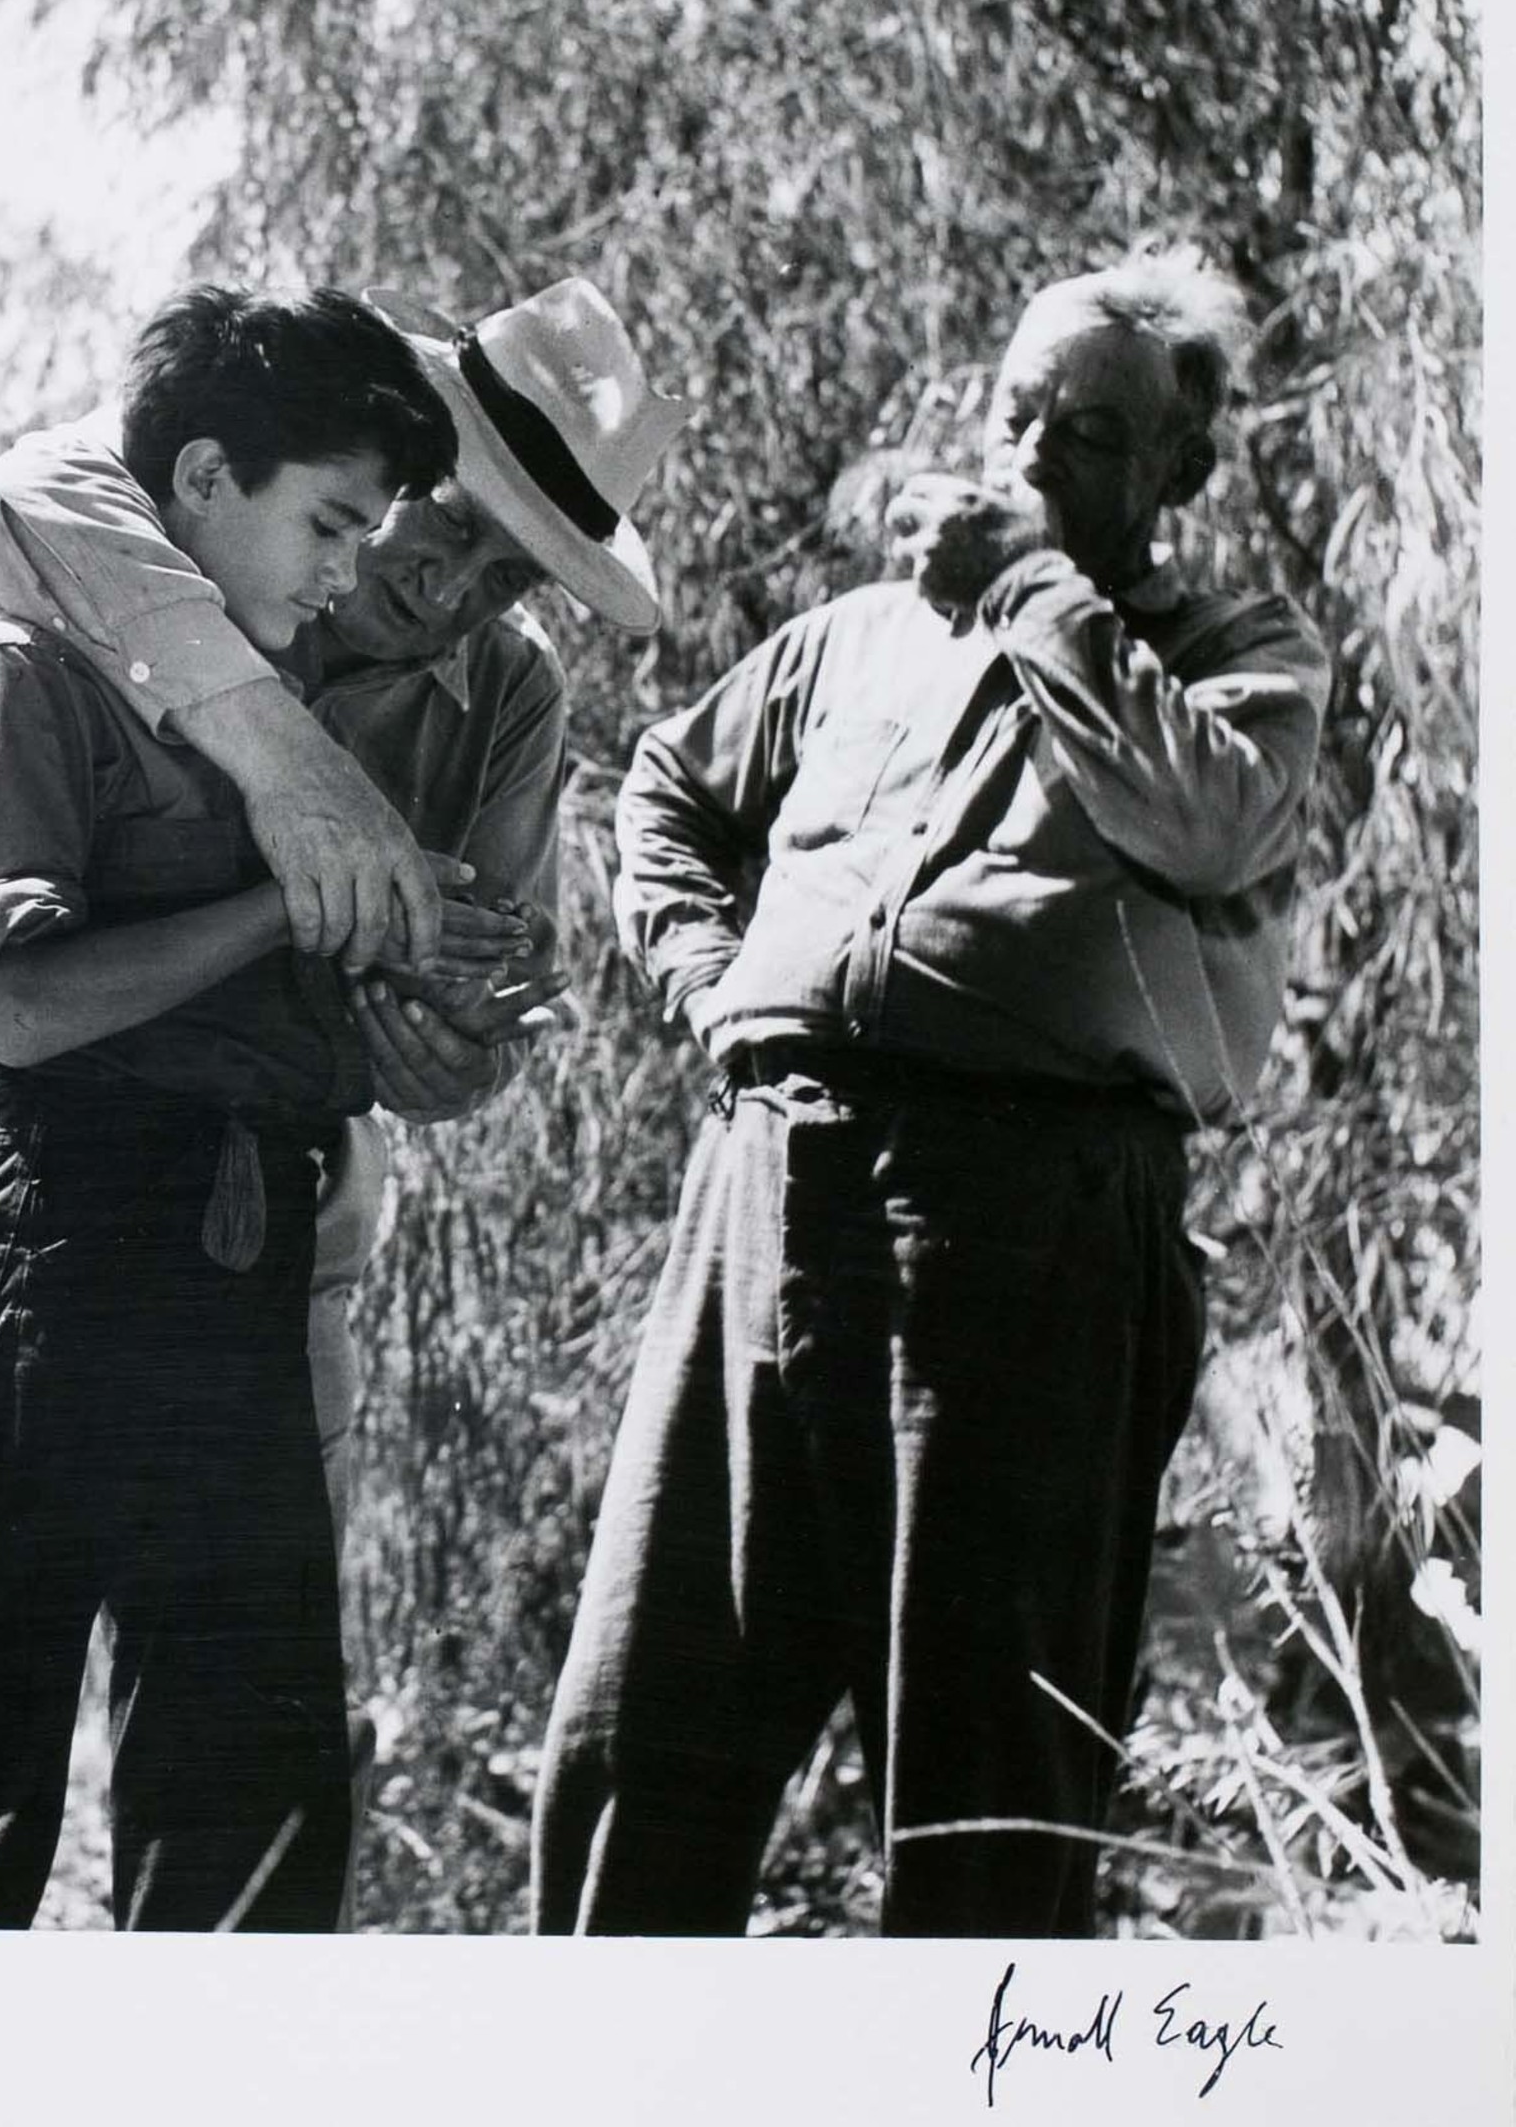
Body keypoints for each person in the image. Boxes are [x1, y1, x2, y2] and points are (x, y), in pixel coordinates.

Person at [0, 277, 686, 1864]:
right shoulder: (153, 530)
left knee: (246, 1675)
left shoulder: (505, 698)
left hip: (249, 1174)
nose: (451, 584)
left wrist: (448, 1056)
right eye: (444, 521)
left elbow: (480, 984)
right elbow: (13, 502)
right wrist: (298, 804)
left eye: (514, 571)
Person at [531, 251, 1332, 1938]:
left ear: (1180, 472)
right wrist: (712, 989)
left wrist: (1040, 599)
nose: (1035, 456)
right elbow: (667, 791)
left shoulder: (1237, 655)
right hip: (771, 1183)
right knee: (637, 1741)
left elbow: (1209, 824)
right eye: (1018, 413)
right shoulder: (851, 640)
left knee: (985, 1790)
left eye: (1094, 437)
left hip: (1031, 1233)